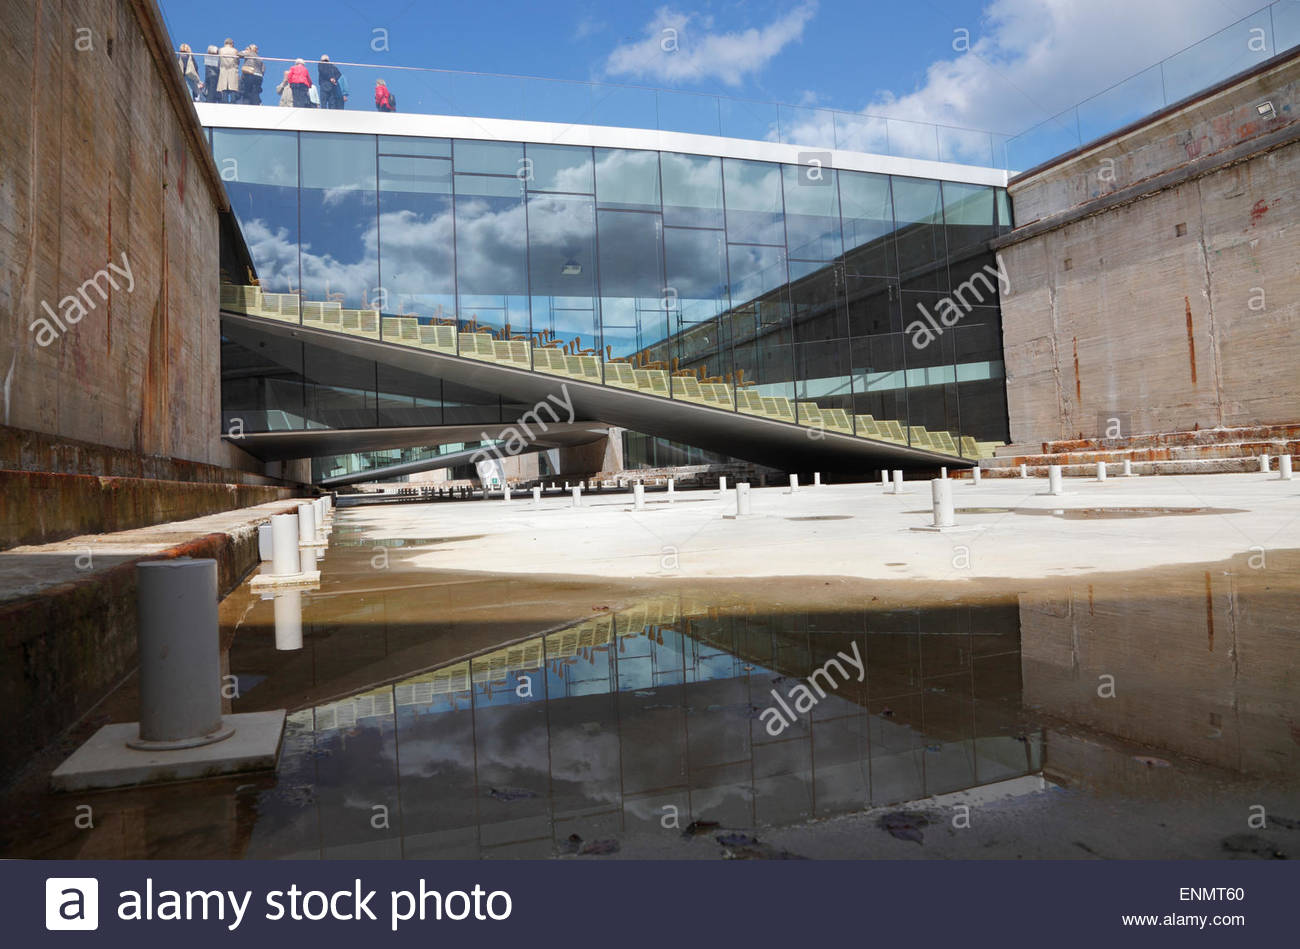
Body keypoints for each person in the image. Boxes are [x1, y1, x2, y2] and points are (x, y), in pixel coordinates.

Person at [217, 38, 240, 104]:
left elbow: (219, 60)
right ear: (232, 44)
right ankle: (233, 102)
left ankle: (224, 102)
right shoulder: (235, 51)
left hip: (223, 70)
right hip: (232, 70)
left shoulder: (221, 50)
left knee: (224, 87)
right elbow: (237, 61)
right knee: (233, 88)